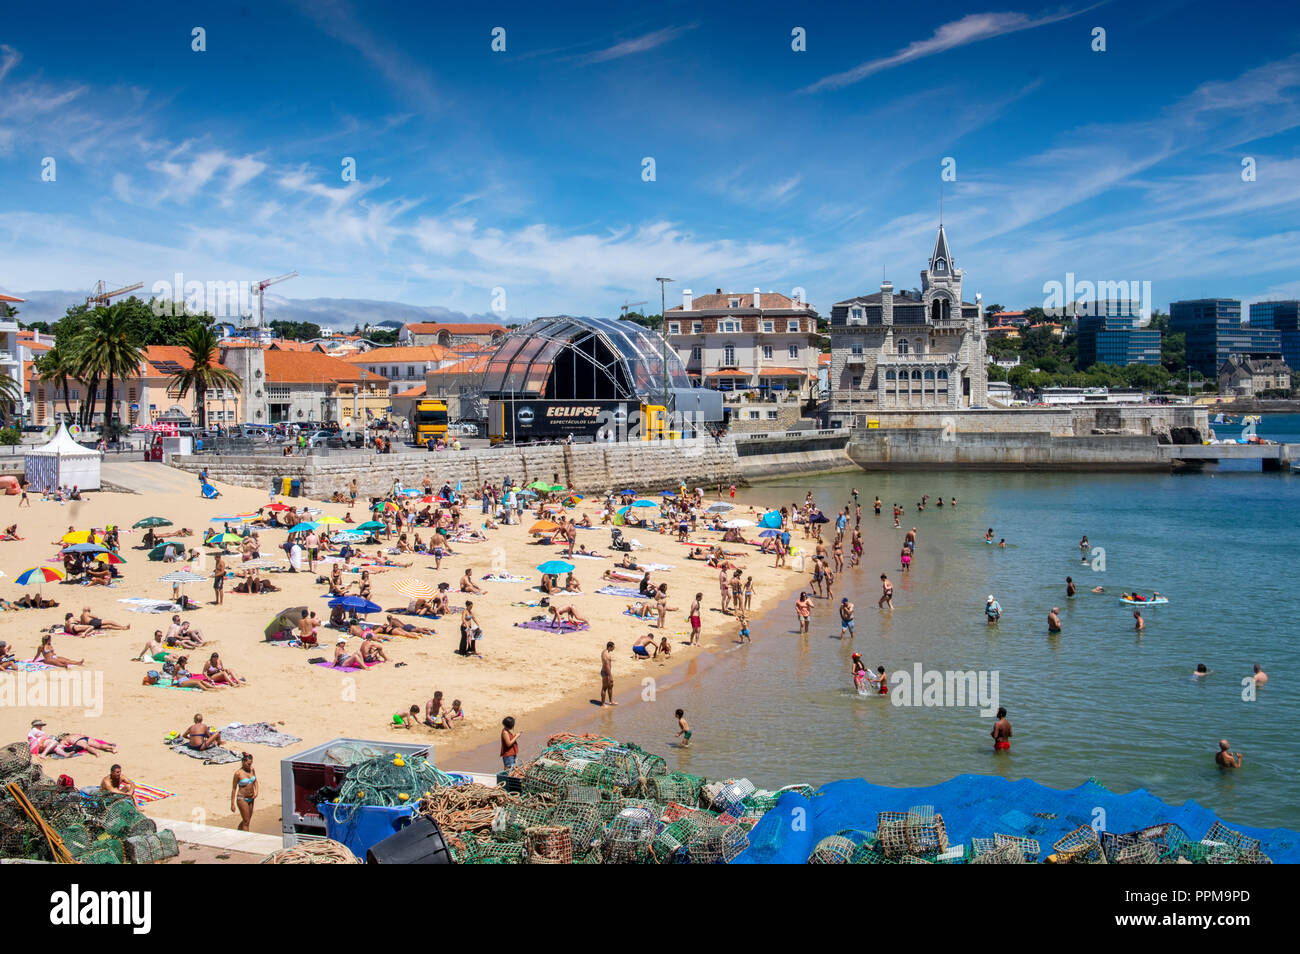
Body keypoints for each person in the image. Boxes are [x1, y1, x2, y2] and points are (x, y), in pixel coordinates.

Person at [231, 753, 257, 831]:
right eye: (248, 764)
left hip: (251, 798)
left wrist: (256, 792)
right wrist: (232, 804)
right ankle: (246, 840)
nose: (250, 765)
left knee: (247, 820)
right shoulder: (238, 774)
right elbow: (234, 789)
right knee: (246, 821)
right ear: (243, 762)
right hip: (242, 798)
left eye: (251, 763)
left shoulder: (252, 769)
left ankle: (238, 832)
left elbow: (255, 781)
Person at [600, 642, 616, 707]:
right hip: (605, 673)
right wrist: (610, 676)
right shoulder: (606, 654)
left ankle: (611, 701)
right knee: (604, 688)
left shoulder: (605, 652)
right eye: (613, 647)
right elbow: (606, 665)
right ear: (610, 647)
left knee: (610, 686)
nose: (614, 648)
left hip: (608, 672)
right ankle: (603, 704)